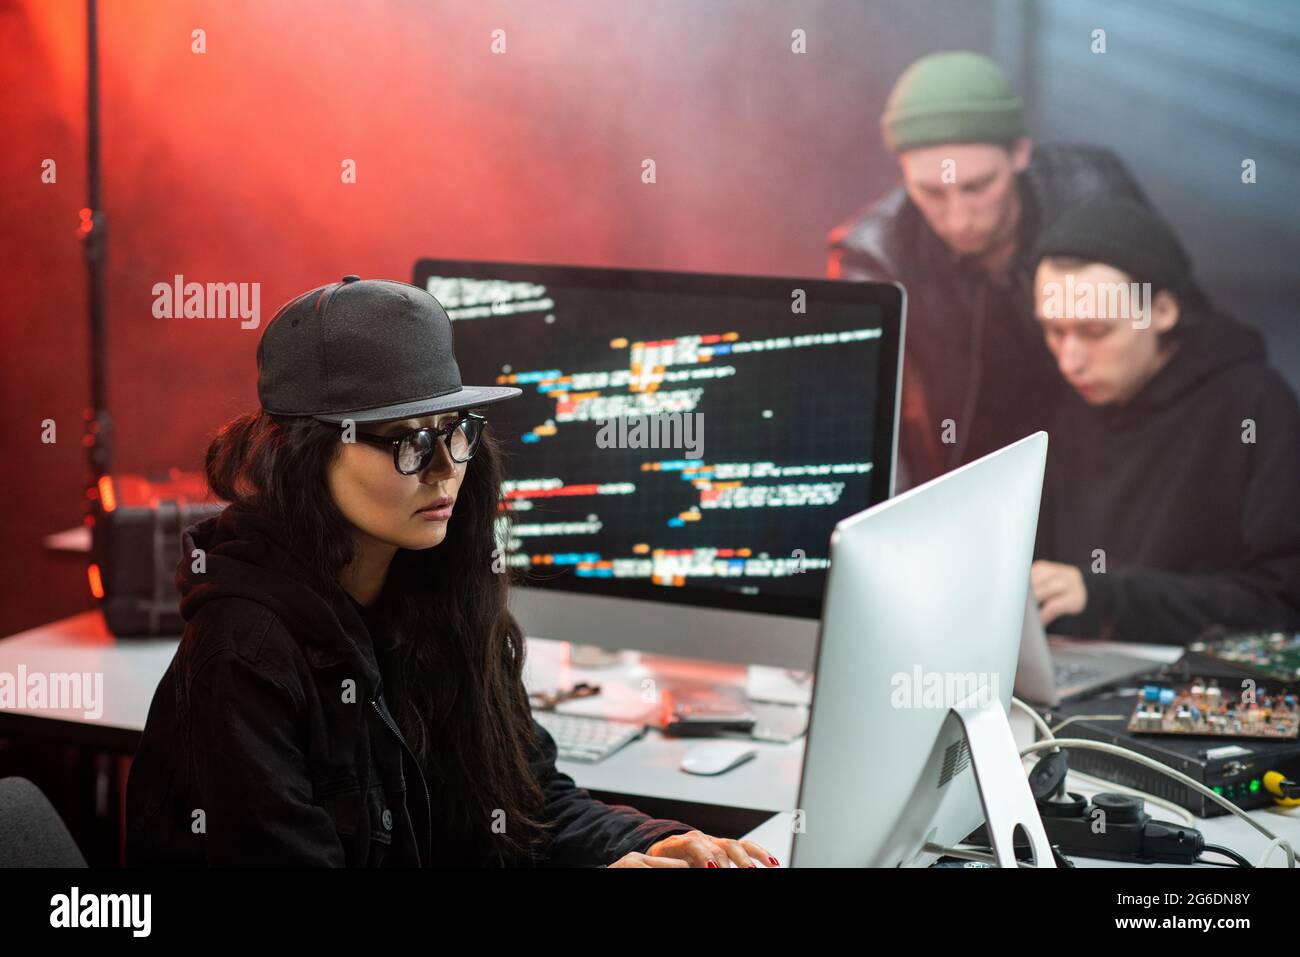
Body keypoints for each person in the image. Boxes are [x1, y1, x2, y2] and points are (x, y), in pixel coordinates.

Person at [125, 275, 779, 868]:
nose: (445, 468)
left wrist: (634, 844)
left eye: (455, 430)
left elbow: (523, 795)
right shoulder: (245, 658)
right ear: (305, 456)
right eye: (409, 440)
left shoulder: (433, 591)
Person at [827, 51, 1166, 488]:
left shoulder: (1091, 192)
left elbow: (1180, 340)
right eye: (930, 192)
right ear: (903, 173)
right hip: (963, 491)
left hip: (1109, 477)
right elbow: (867, 418)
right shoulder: (875, 253)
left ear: (1020, 153)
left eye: (978, 186)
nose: (959, 217)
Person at [1028, 199, 1300, 644]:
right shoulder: (1062, 408)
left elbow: (1282, 601)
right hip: (1075, 676)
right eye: (1053, 332)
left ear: (1163, 311)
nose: (1069, 361)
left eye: (1095, 332)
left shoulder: (1254, 405)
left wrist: (1109, 597)